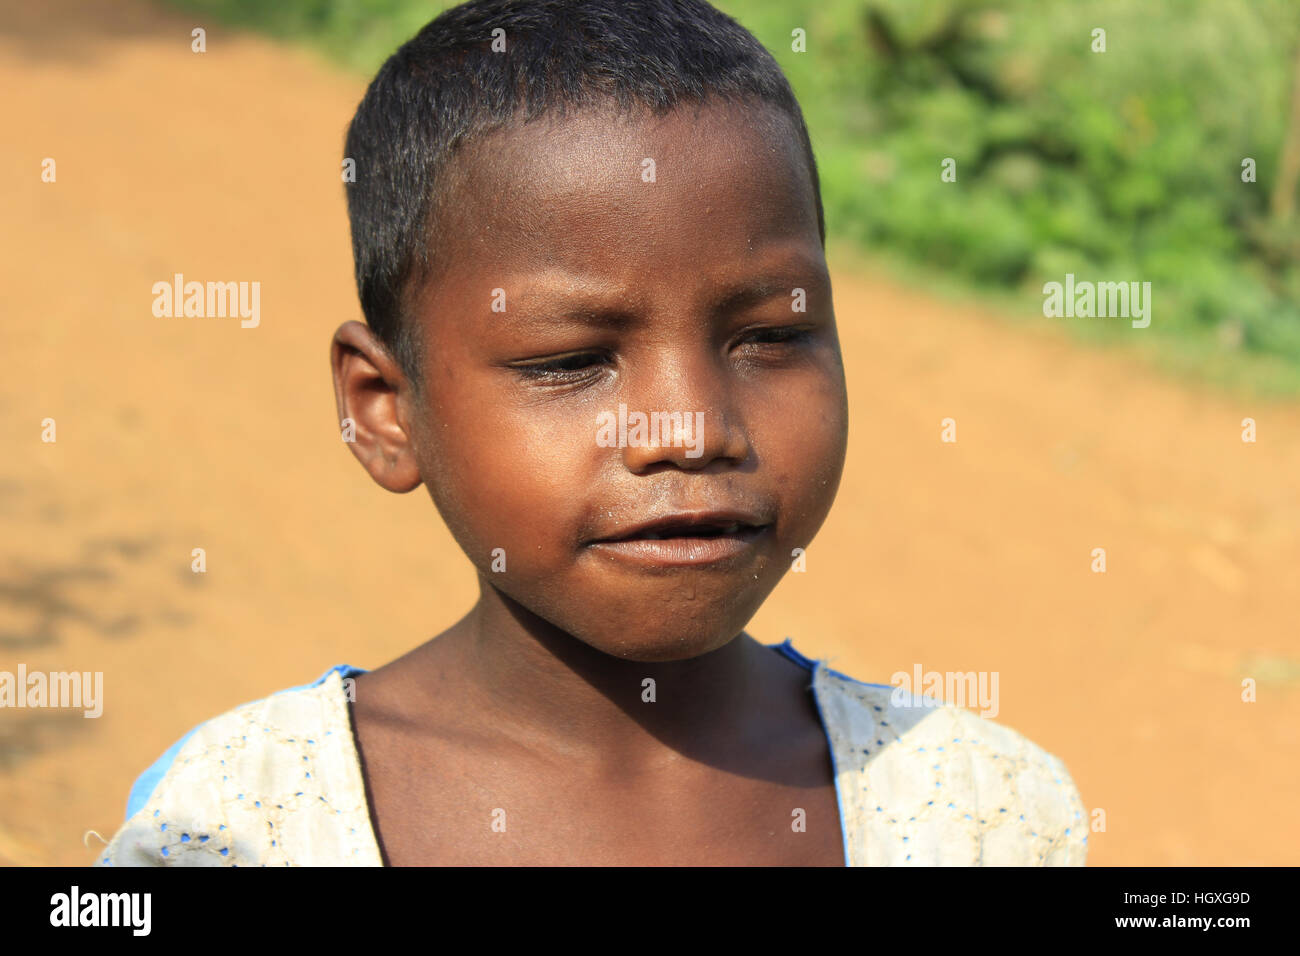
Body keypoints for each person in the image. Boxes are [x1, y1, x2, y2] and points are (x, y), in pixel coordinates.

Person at [94, 0, 1086, 867]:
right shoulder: (239, 825)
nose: (691, 430)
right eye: (569, 359)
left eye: (769, 338)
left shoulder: (977, 810)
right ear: (383, 407)